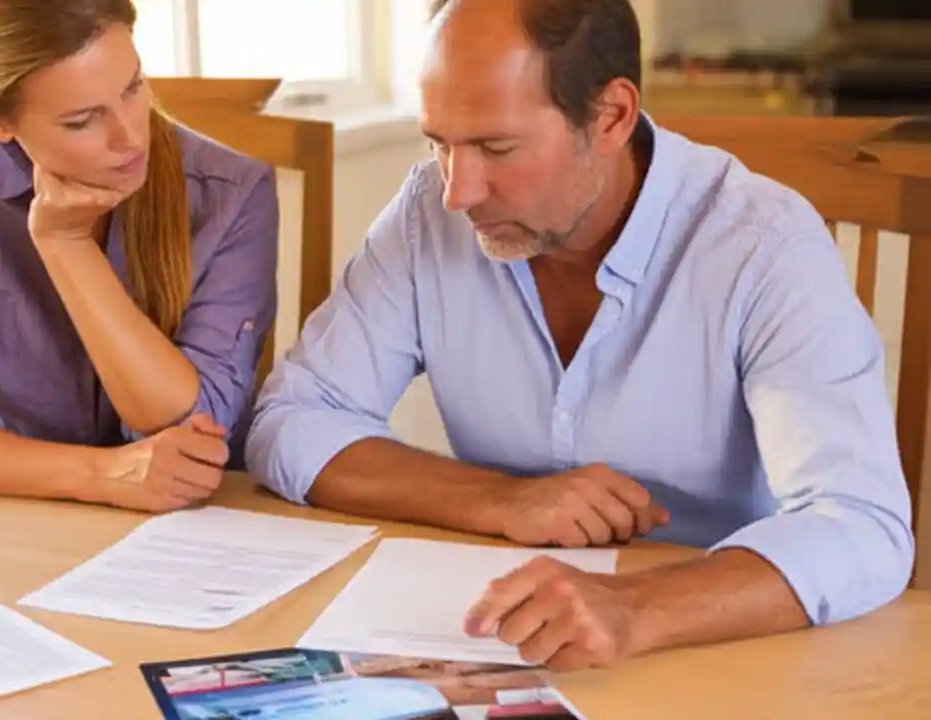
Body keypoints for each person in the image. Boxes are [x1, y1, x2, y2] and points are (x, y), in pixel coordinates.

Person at [247, 0, 912, 670]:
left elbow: (860, 524)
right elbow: (293, 420)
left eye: (496, 147)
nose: (457, 191)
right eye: (439, 144)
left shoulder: (765, 246)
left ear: (611, 117)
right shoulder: (426, 215)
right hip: (501, 640)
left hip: (721, 647)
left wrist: (632, 606)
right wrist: (503, 500)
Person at [0, 0, 277, 513]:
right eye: (81, 121)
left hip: (194, 529)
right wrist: (101, 475)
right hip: (23, 516)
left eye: (133, 87)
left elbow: (194, 433)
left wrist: (66, 246)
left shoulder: (234, 193)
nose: (131, 137)